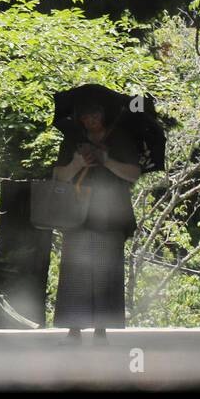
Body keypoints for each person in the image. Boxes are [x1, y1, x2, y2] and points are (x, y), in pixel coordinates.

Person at [52, 95, 141, 344]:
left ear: (103, 115)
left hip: (111, 214)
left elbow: (133, 174)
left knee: (106, 270)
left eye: (95, 114)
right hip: (77, 214)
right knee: (75, 270)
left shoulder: (120, 139)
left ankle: (102, 327)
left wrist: (106, 160)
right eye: (86, 115)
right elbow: (59, 175)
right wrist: (78, 163)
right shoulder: (73, 141)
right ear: (80, 118)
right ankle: (74, 328)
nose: (91, 120)